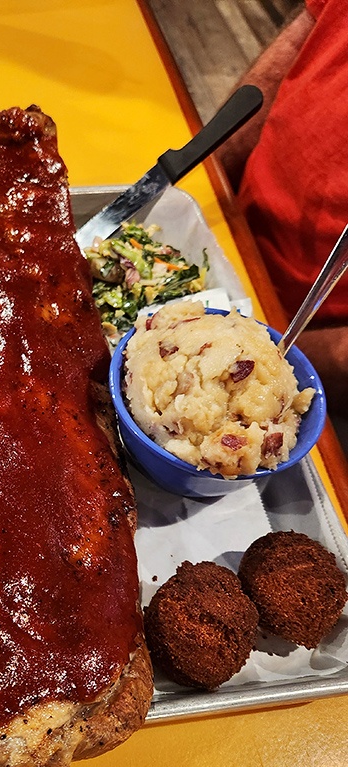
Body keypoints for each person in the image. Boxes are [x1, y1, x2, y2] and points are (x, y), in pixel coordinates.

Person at [217, 0, 348, 441]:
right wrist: (210, 182)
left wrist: (271, 355)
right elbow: (299, 41)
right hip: (231, 231)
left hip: (308, 347)